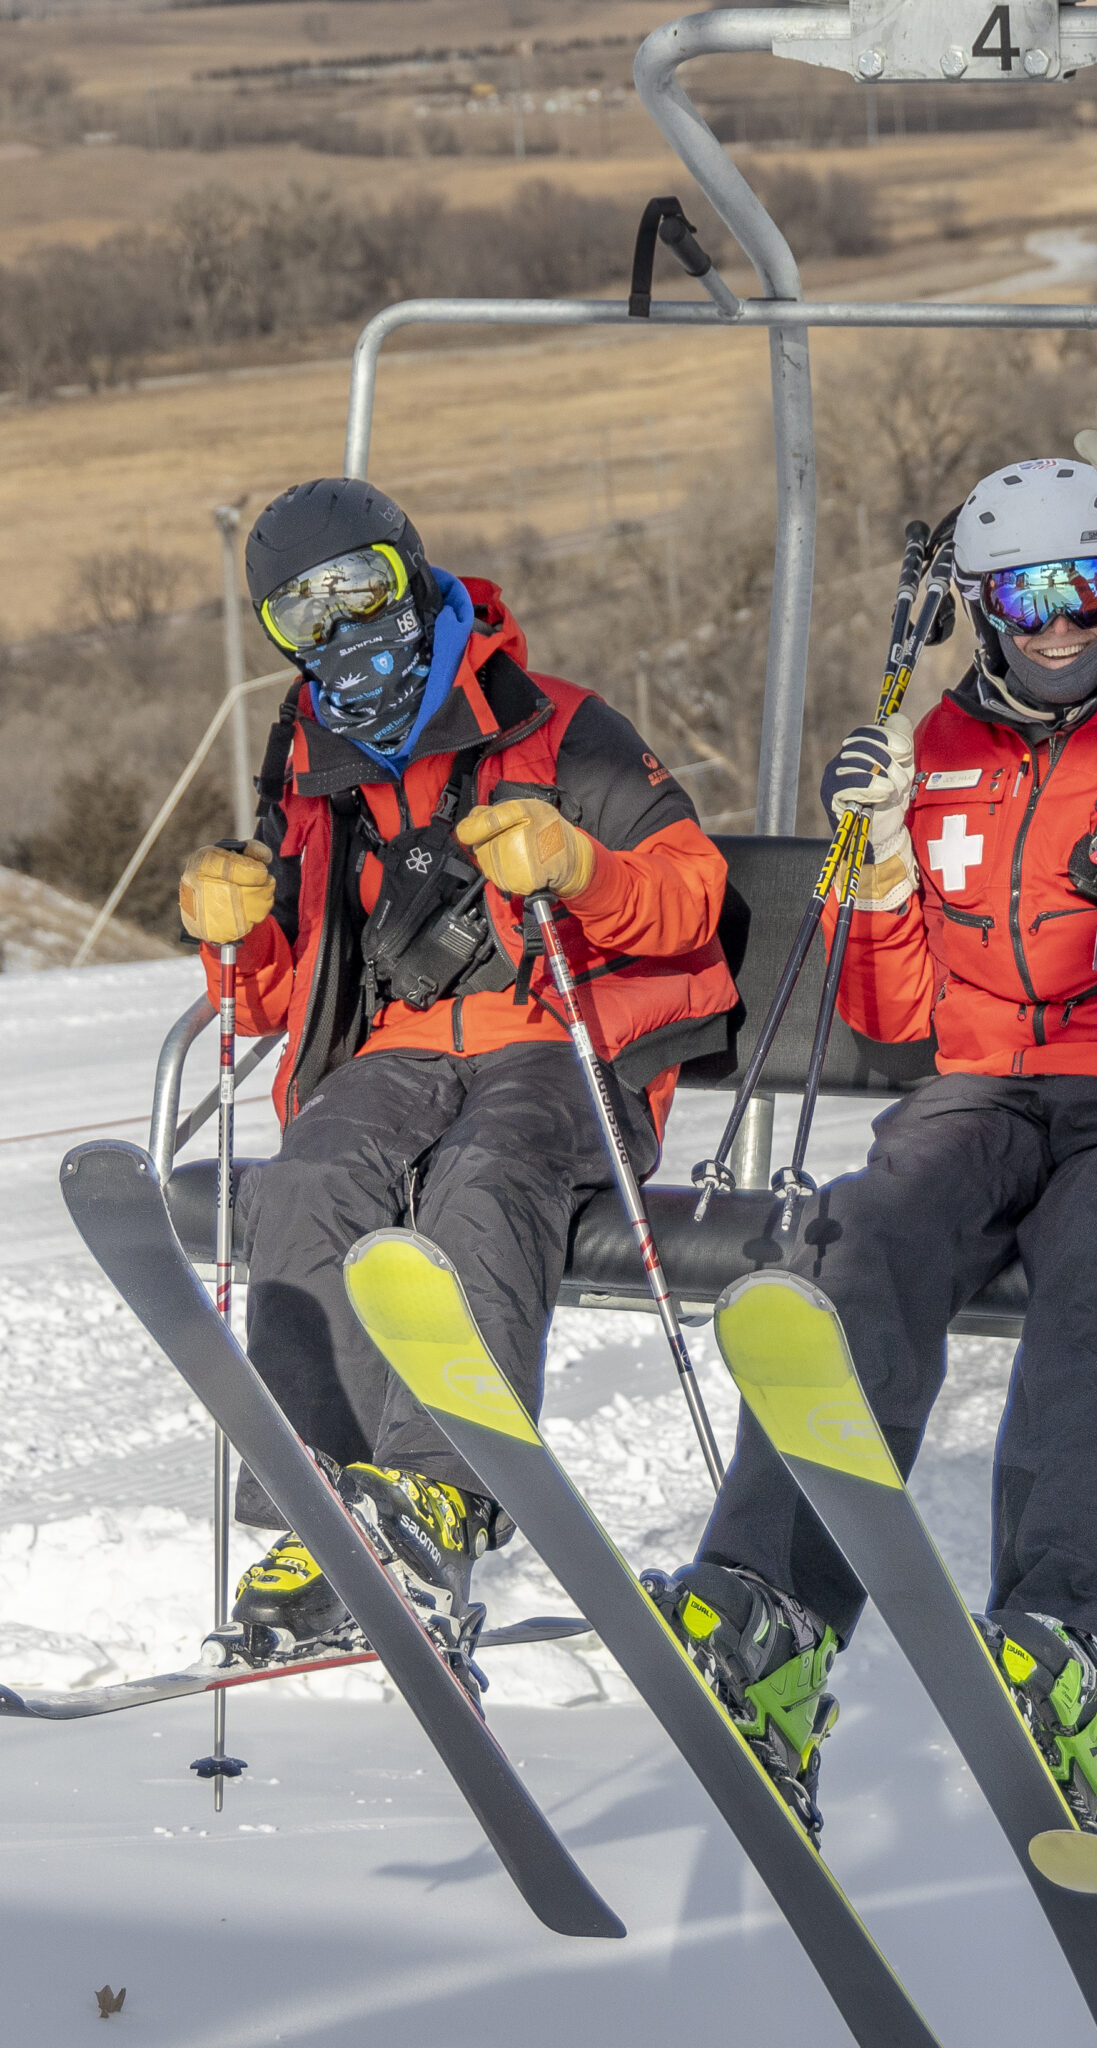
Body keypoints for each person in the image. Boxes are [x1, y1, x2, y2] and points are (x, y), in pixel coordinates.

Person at [646, 355, 1097, 1837]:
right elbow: (898, 1014)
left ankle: (1066, 1642)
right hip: (988, 1091)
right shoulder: (939, 750)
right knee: (873, 1237)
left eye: (1092, 591)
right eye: (1027, 601)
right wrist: (882, 865)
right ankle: (768, 1611)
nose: (1063, 630)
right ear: (982, 606)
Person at [176, 477, 735, 1657]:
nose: (337, 632)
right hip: (398, 1049)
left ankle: (440, 1490)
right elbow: (282, 994)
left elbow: (692, 897)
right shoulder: (309, 761)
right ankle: (317, 1506)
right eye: (300, 617)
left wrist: (582, 866)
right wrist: (239, 936)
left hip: (555, 1036)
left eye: (358, 592)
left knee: (486, 1172)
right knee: (312, 1172)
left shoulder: (558, 724)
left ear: (411, 571)